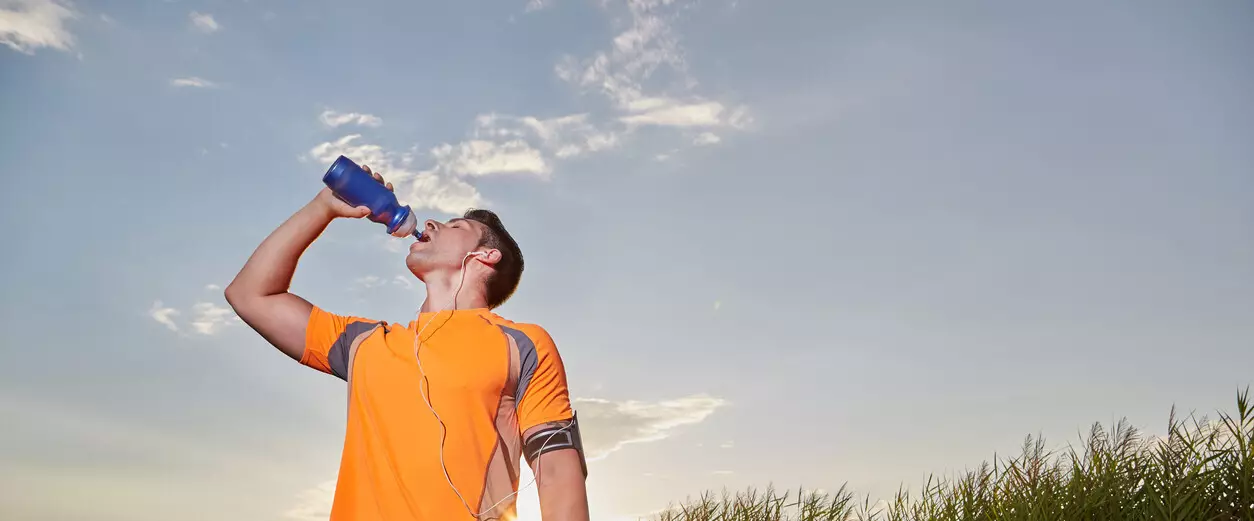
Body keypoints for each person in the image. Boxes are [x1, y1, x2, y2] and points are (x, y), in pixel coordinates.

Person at [224, 164, 590, 521]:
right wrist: (323, 208)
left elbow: (556, 471)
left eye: (454, 226)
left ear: (485, 256)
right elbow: (250, 294)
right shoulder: (366, 343)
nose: (431, 223)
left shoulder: (522, 343)